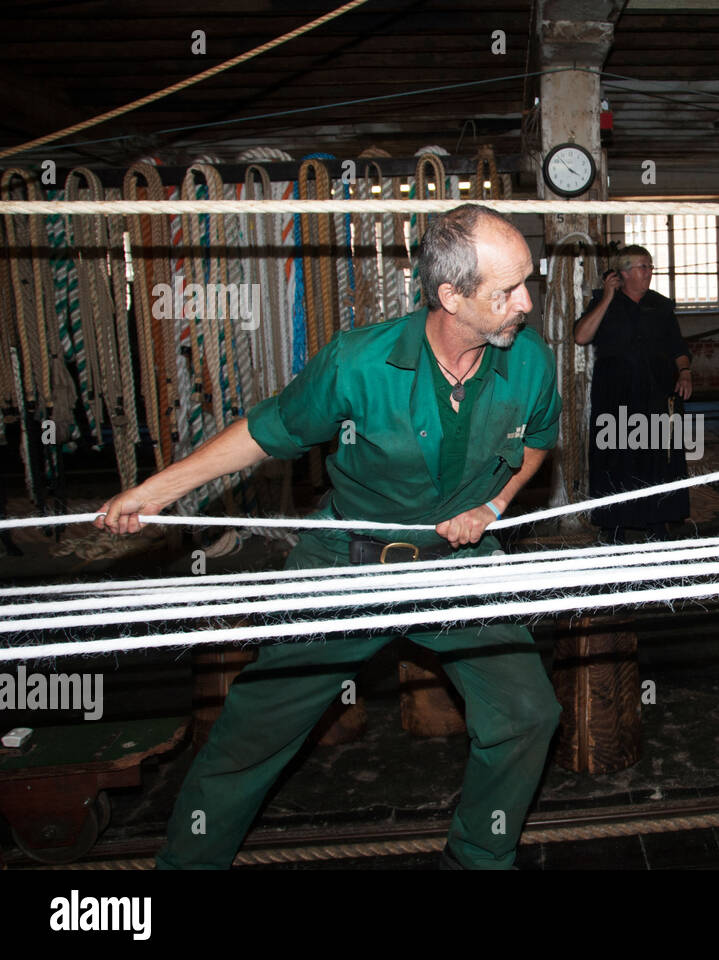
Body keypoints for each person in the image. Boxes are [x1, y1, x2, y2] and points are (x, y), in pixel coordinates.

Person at [96, 203, 563, 870]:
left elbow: (539, 446)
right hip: (347, 563)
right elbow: (266, 433)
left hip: (460, 566)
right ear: (450, 296)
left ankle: (478, 857)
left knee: (527, 713)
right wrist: (155, 491)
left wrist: (496, 502)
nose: (526, 302)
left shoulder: (530, 364)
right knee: (253, 732)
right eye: (508, 290)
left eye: (527, 283)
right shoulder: (357, 364)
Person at [574, 245, 693, 542]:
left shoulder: (661, 306)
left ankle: (657, 522)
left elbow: (678, 349)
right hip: (616, 398)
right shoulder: (603, 303)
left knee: (658, 460)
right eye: (643, 266)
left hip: (657, 396)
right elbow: (581, 336)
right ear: (623, 273)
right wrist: (608, 296)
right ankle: (612, 525)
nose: (649, 272)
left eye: (651, 266)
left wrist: (686, 372)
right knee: (615, 460)